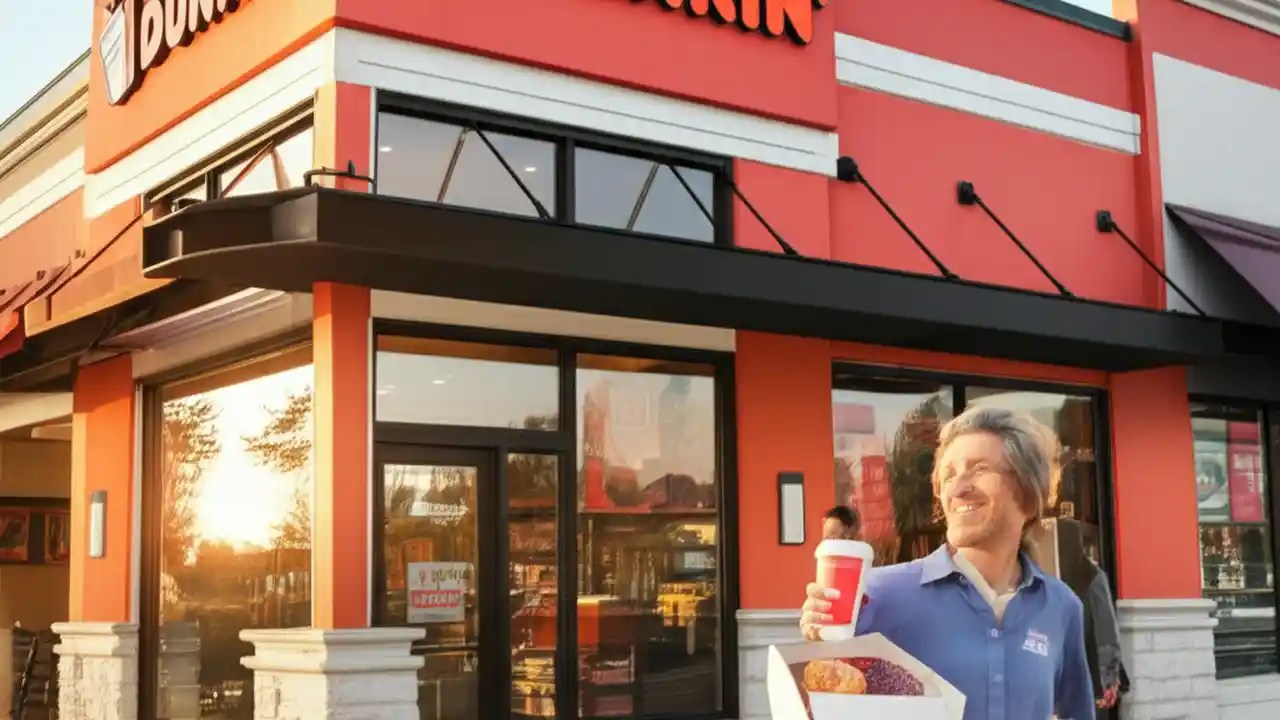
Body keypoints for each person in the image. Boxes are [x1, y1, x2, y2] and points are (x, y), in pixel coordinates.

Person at [801, 406, 1095, 720]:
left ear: (1027, 490)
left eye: (979, 469)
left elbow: (1076, 712)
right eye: (949, 475)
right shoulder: (877, 595)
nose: (957, 487)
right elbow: (824, 700)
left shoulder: (1062, 607)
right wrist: (820, 639)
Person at [1056, 518, 1126, 715]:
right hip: (1087, 670)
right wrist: (1109, 677)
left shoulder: (1053, 578)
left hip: (1078, 671)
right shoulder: (1090, 576)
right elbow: (1107, 631)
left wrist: (1108, 677)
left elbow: (1105, 633)